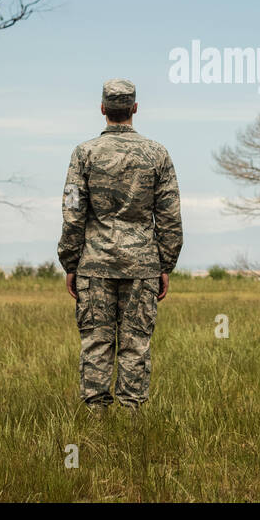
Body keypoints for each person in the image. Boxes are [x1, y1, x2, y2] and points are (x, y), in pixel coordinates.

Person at [58, 79, 182, 416]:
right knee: (135, 344)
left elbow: (73, 213)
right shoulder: (157, 154)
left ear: (103, 109)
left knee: (96, 342)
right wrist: (165, 264)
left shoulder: (83, 153)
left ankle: (96, 419)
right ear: (134, 109)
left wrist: (70, 261)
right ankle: (132, 419)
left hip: (94, 264)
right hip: (142, 264)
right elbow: (169, 216)